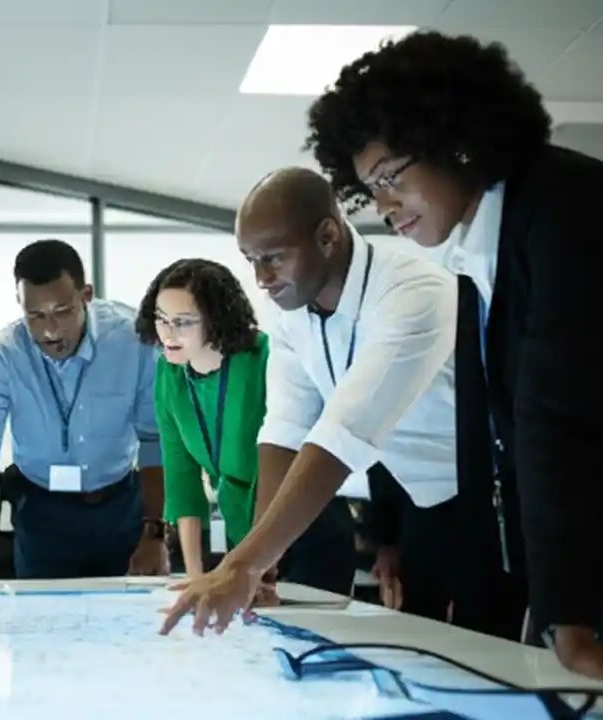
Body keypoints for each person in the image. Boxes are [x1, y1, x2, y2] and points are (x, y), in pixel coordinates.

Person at [302, 30, 603, 694]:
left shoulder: (568, 212)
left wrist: (564, 615)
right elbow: (496, 437)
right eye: (371, 189)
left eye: (392, 177)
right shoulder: (483, 248)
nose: (385, 205)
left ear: (456, 139)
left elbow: (554, 414)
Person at [159, 167, 469, 638]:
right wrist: (260, 565)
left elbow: (344, 433)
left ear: (328, 236)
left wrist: (242, 565)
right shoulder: (290, 314)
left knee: (499, 654)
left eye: (274, 258)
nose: (261, 278)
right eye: (251, 260)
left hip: (488, 499)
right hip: (417, 499)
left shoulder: (413, 291)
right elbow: (284, 431)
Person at [0, 239, 168, 586]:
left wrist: (155, 534)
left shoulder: (132, 340)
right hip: (42, 512)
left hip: (120, 508)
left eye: (63, 311)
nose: (50, 330)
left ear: (86, 295)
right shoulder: (4, 355)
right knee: (41, 628)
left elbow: (155, 440)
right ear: (20, 304)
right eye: (36, 315)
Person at [136, 259, 267, 579]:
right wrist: (194, 576)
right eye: (161, 319)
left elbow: (283, 461)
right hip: (243, 532)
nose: (168, 333)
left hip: (293, 524)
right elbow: (181, 480)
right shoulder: (170, 373)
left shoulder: (261, 358)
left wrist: (262, 567)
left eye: (183, 322)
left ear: (215, 319)